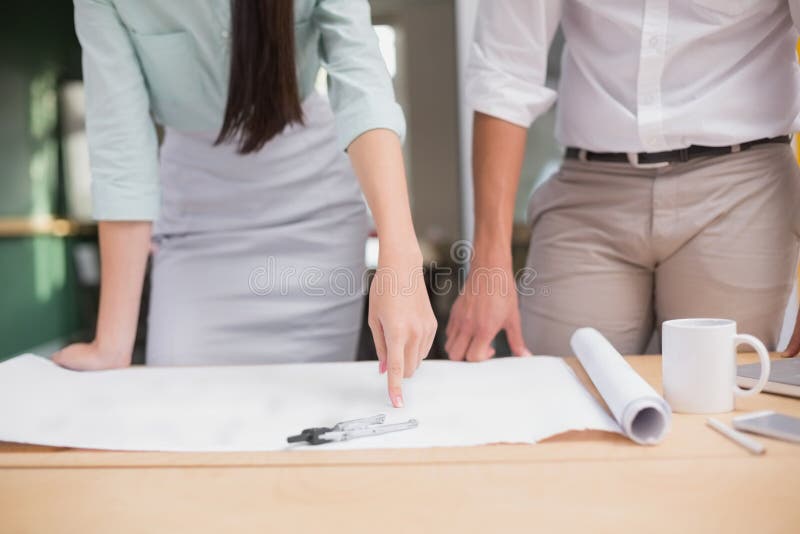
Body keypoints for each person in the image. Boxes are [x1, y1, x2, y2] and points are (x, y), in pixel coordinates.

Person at [54, 0, 437, 408]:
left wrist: (401, 255)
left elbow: (362, 83)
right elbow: (122, 149)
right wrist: (112, 343)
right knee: (182, 409)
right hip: (197, 218)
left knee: (303, 413)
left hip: (309, 210)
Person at [447, 0, 800, 360]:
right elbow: (505, 70)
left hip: (741, 189)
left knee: (719, 392)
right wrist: (489, 263)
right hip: (588, 196)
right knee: (561, 392)